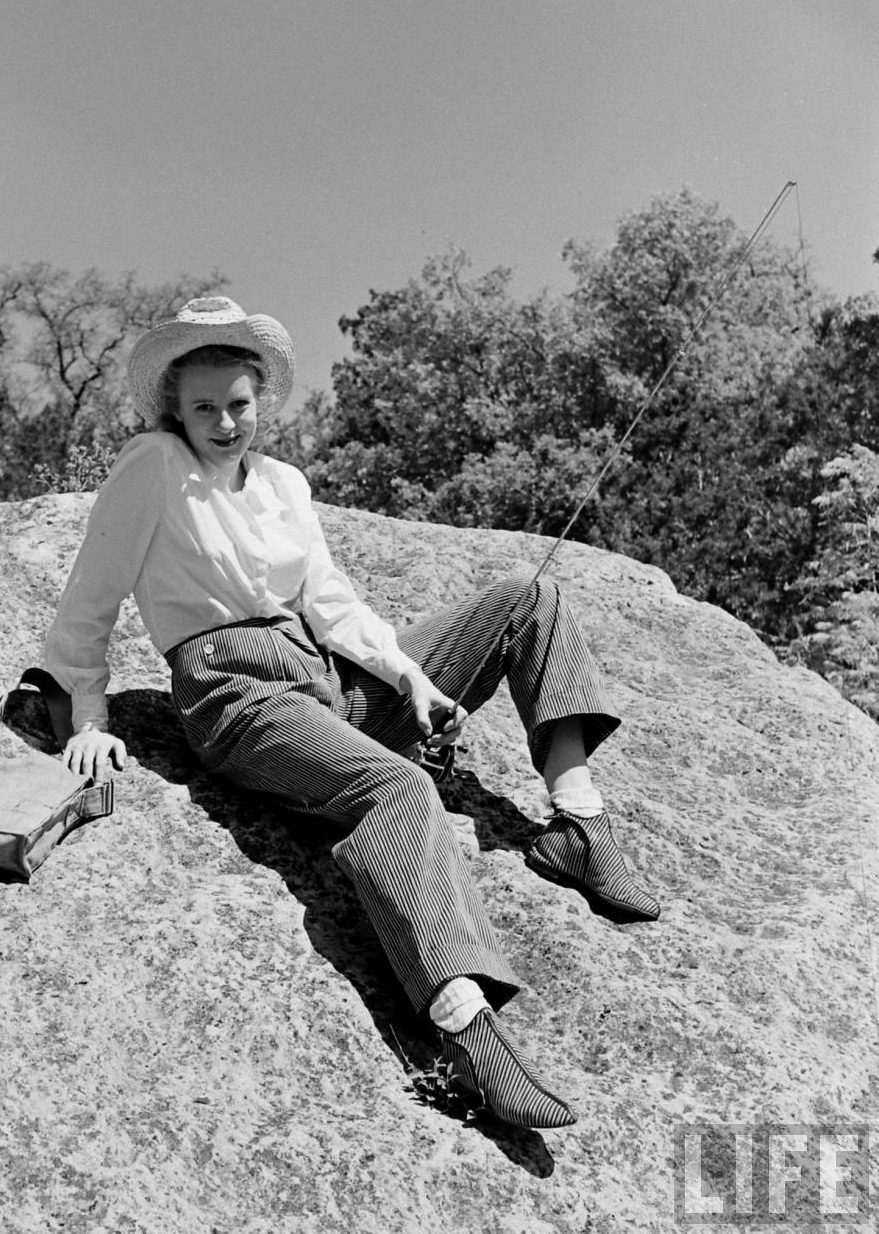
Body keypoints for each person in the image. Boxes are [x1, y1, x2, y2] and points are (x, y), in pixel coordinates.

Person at [44, 297, 659, 1131]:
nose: (225, 423)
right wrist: (87, 715)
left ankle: (576, 825)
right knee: (401, 790)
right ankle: (463, 1028)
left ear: (261, 400)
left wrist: (410, 678)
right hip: (235, 695)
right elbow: (91, 595)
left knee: (528, 598)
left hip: (325, 674)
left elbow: (331, 604)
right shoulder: (154, 466)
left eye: (239, 404)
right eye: (204, 407)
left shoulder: (287, 485)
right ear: (172, 410)